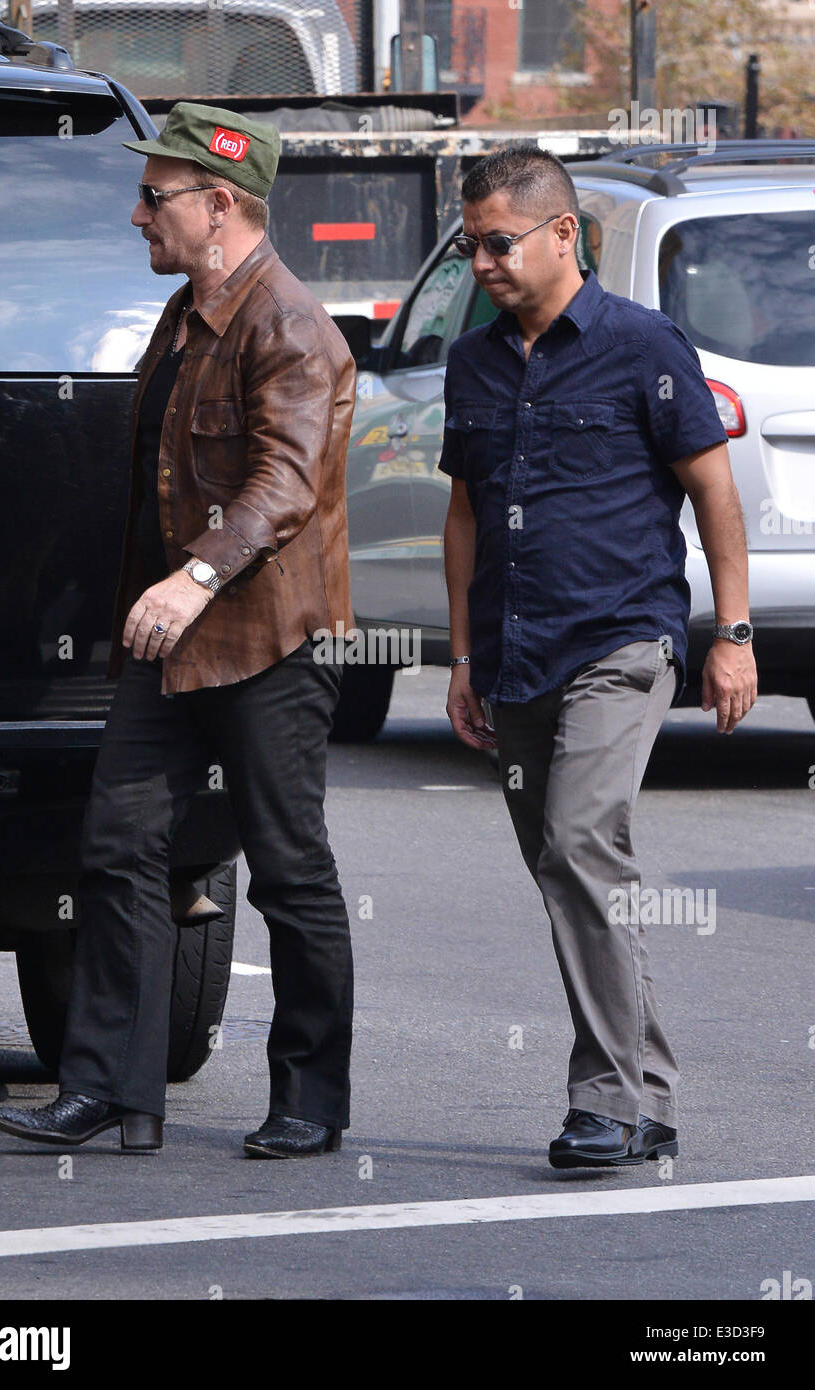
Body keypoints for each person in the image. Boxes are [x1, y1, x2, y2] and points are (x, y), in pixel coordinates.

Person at [0, 104, 356, 1157]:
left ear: (220, 204)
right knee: (113, 848)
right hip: (172, 640)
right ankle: (110, 1089)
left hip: (265, 639)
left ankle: (309, 1101)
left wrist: (193, 578)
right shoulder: (187, 315)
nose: (135, 214)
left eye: (154, 197)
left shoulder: (289, 326)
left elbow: (281, 483)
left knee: (289, 870)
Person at [441, 148, 757, 1169]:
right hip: (511, 645)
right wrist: (456, 655)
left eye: (499, 242)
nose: (482, 261)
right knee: (572, 870)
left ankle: (605, 1099)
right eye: (469, 243)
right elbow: (463, 512)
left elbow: (712, 490)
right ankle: (644, 1094)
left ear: (560, 234)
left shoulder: (641, 346)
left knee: (580, 843)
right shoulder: (472, 361)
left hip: (620, 639)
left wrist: (732, 635)